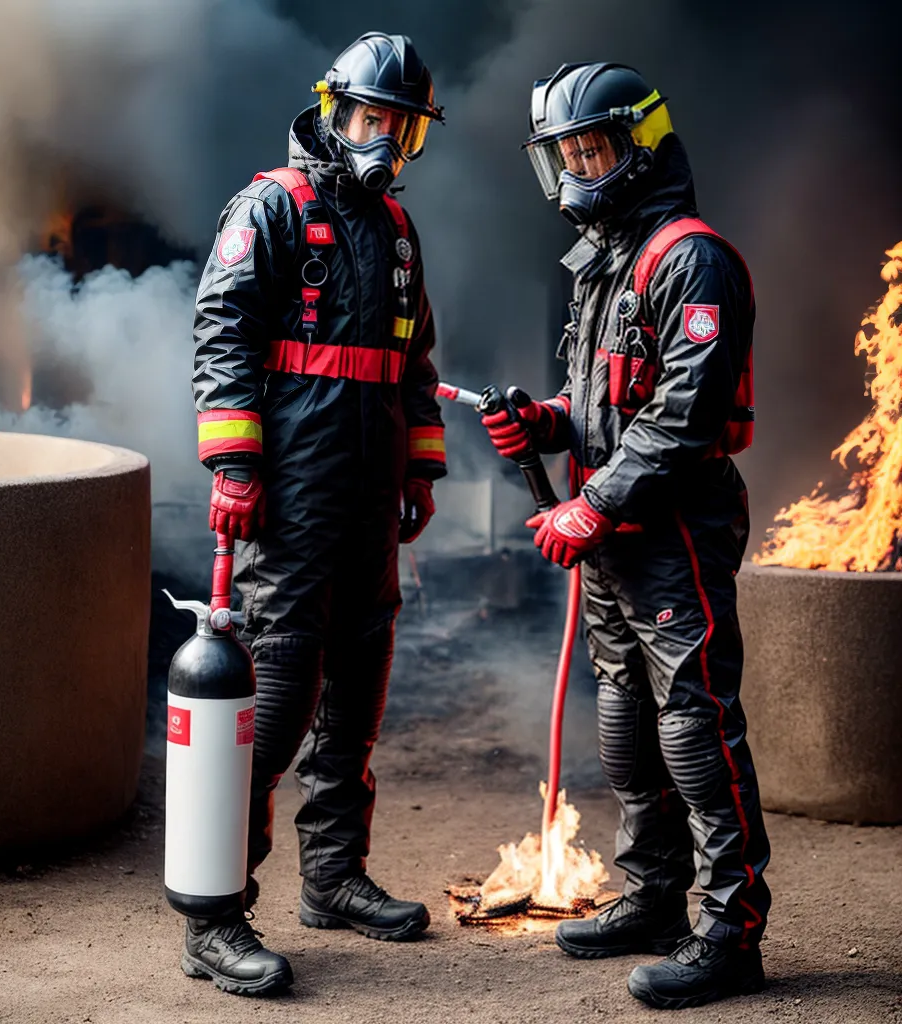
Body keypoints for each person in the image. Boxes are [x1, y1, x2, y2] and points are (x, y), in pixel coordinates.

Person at [482, 62, 769, 1010]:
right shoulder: (607, 258)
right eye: (564, 154)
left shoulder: (692, 259)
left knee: (693, 725)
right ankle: (654, 897)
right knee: (626, 718)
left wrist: (593, 503)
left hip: (674, 528)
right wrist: (546, 421)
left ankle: (730, 932)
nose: (577, 170)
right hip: (616, 532)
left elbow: (684, 416)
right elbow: (604, 402)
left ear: (640, 148)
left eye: (593, 149)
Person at [187, 32, 447, 996]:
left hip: (370, 500)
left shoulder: (398, 231)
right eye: (372, 117)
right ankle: (213, 917)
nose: (386, 139)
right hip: (291, 499)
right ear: (335, 112)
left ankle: (332, 881)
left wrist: (421, 469)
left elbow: (414, 361)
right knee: (276, 702)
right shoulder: (270, 207)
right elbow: (222, 335)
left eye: (403, 127)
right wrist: (234, 464)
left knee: (356, 702)